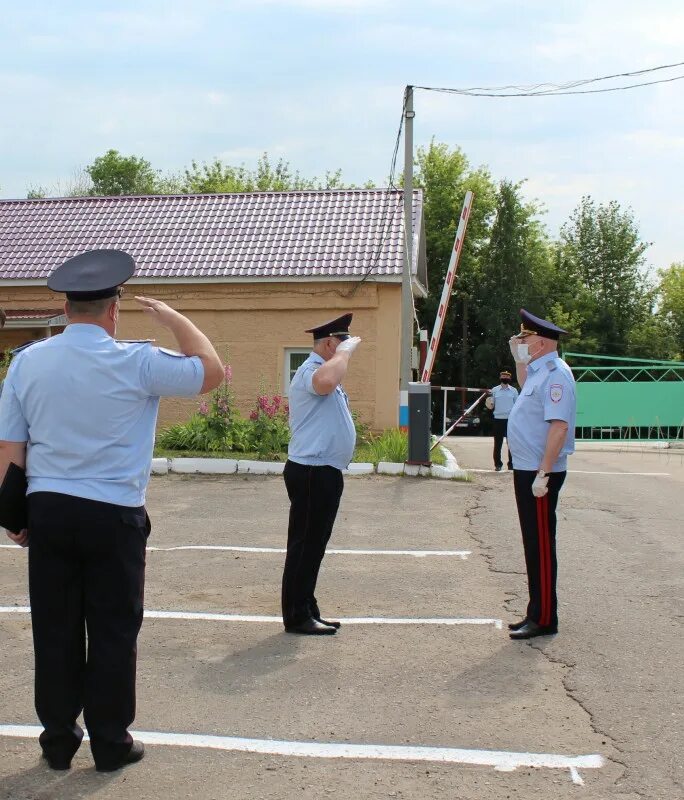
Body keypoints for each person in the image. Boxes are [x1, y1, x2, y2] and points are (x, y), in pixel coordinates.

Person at [0, 249, 224, 771]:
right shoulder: (138, 360)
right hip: (113, 516)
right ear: (113, 310)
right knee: (113, 632)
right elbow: (211, 373)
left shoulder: (28, 361)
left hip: (48, 511)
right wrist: (174, 319)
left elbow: (11, 449)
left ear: (67, 307)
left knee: (54, 630)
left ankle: (57, 743)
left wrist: (13, 517)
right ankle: (109, 744)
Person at [281, 312, 361, 635]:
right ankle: (297, 615)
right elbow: (326, 383)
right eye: (342, 344)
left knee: (314, 544)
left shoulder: (324, 371)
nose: (346, 353)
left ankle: (306, 605)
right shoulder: (311, 372)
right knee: (305, 544)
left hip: (323, 472)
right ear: (330, 344)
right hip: (312, 471)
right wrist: (343, 355)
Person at [505, 309, 576, 640]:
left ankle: (545, 618)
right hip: (527, 470)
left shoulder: (557, 374)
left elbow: (559, 427)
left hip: (539, 474)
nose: (522, 343)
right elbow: (525, 385)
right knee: (532, 545)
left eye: (526, 339)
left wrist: (544, 473)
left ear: (544, 342)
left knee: (541, 547)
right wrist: (519, 358)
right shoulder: (538, 371)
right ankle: (536, 612)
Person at [485, 370, 519, 471]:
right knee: (498, 443)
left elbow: (517, 406)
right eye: (503, 376)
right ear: (500, 377)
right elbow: (490, 404)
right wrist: (489, 405)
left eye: (507, 376)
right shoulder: (494, 390)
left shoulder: (514, 391)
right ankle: (498, 464)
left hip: (510, 420)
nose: (505, 377)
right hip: (498, 420)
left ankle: (511, 464)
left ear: (510, 378)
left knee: (511, 443)